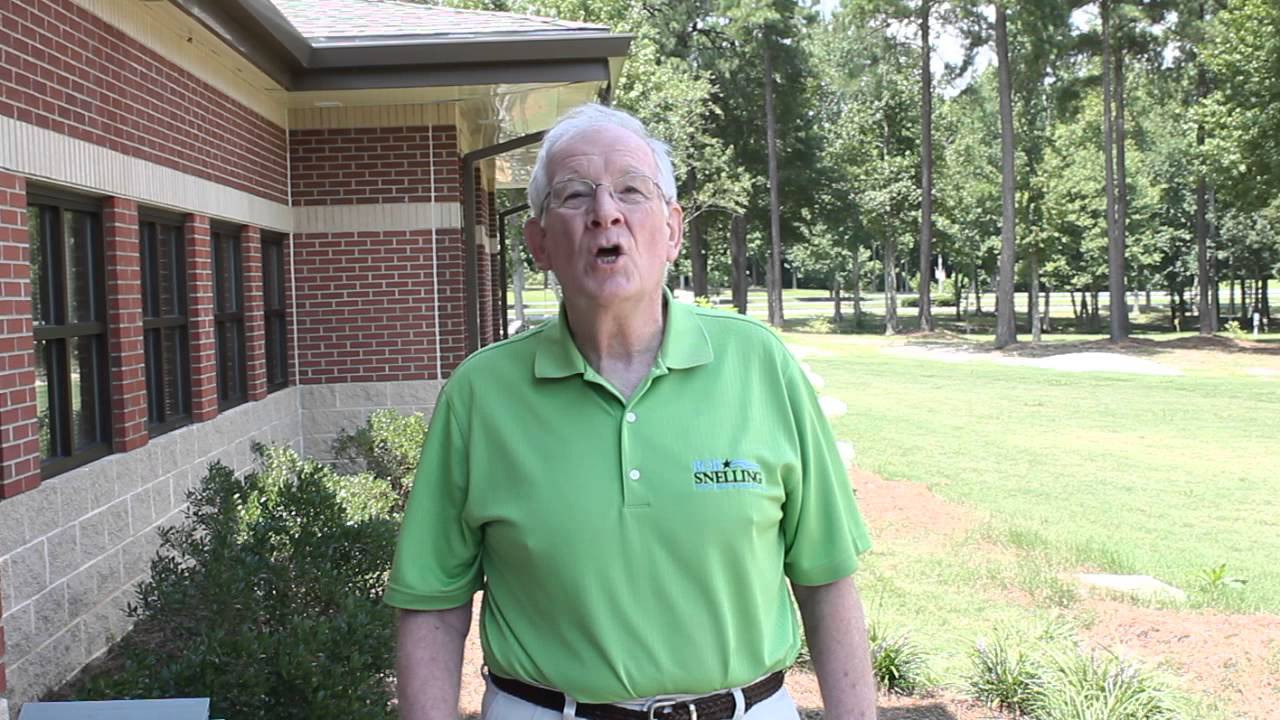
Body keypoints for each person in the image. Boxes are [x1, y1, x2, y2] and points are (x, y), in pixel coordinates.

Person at [386, 103, 876, 720]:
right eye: (573, 195)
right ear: (538, 242)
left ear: (672, 230)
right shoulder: (481, 394)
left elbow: (826, 577)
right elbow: (433, 600)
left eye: (631, 190)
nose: (605, 212)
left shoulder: (761, 365)